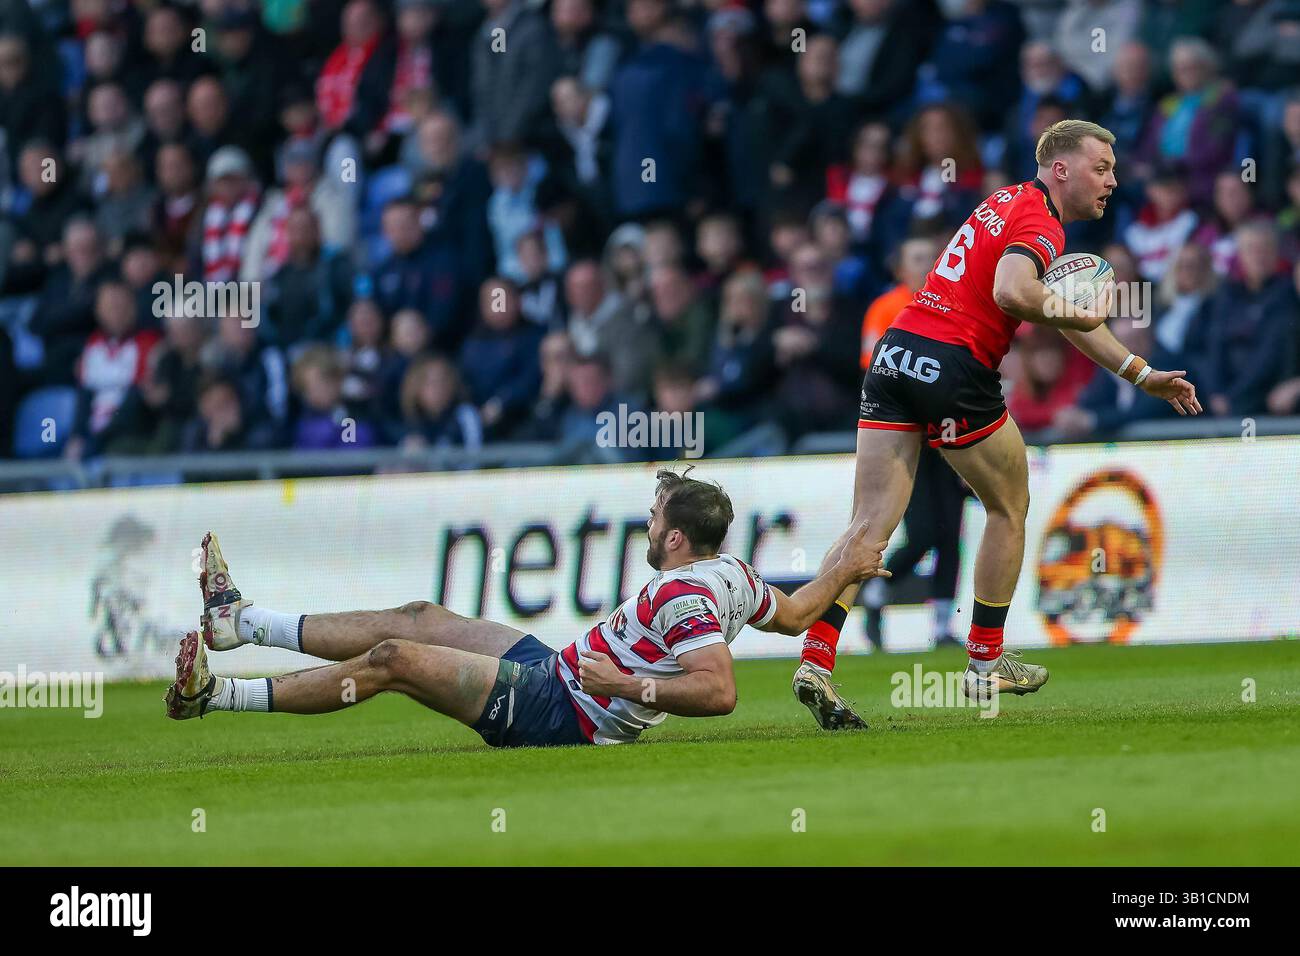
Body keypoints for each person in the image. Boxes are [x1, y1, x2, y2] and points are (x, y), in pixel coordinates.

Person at [790, 120, 1202, 728]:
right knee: (1008, 506)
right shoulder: (1040, 219)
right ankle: (984, 660)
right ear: (1060, 169)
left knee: (868, 526)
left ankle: (817, 659)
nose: (1112, 181)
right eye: (1102, 168)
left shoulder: (1003, 200)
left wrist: (1140, 372)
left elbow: (1061, 318)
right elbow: (1013, 293)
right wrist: (1072, 306)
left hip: (897, 352)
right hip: (954, 364)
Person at [166, 469, 891, 746]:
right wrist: (848, 560)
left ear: (672, 537)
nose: (644, 525)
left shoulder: (683, 595)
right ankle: (242, 625)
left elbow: (720, 691)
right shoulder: (730, 574)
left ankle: (213, 698)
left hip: (565, 711)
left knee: (393, 661)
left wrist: (622, 687)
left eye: (651, 517)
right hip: (558, 672)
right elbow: (797, 616)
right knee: (421, 616)